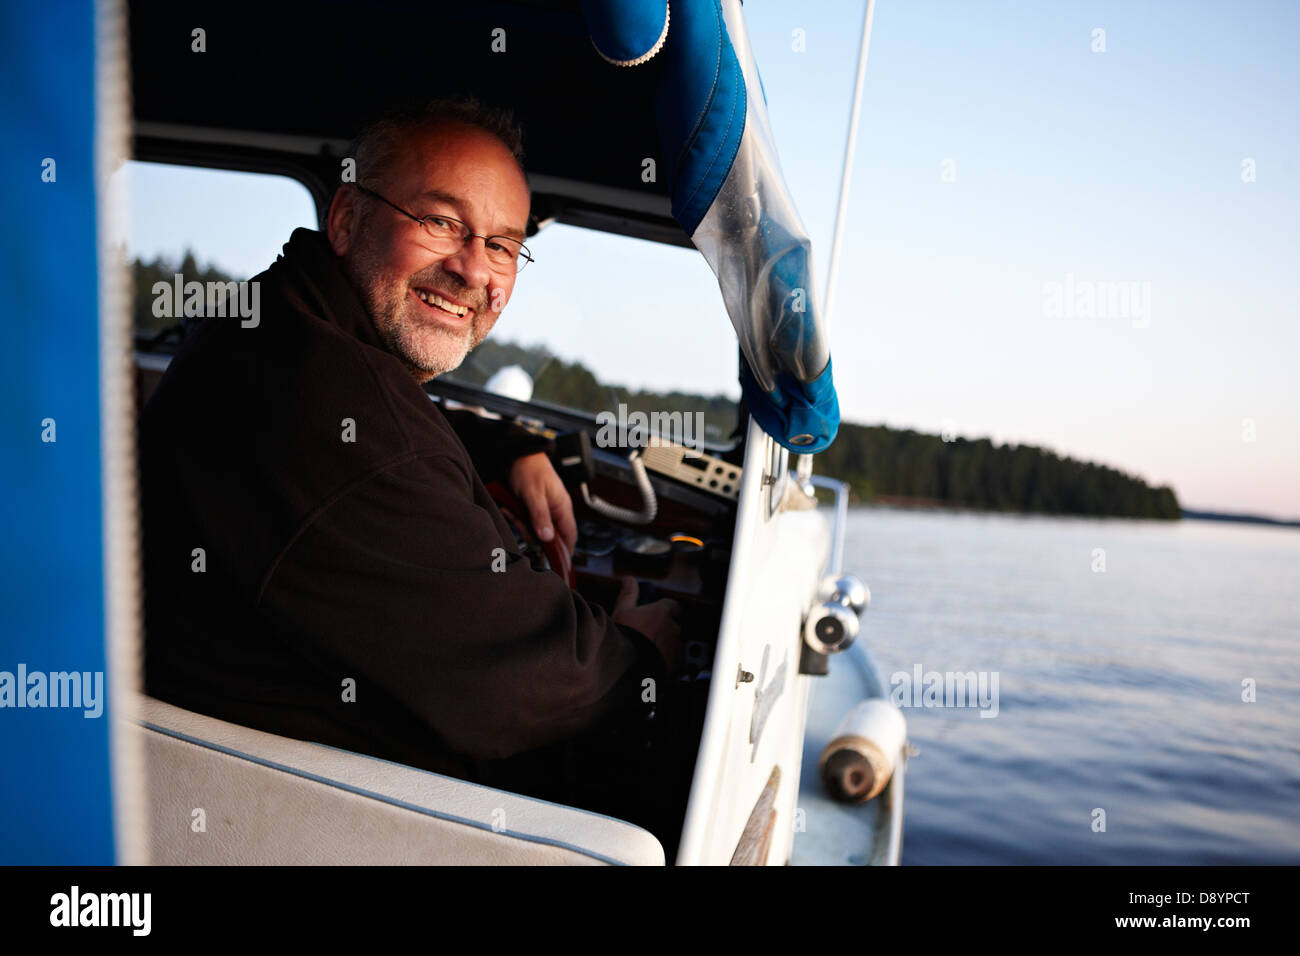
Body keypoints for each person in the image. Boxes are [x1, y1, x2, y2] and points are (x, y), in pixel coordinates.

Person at [138, 96, 686, 847]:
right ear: (345, 218)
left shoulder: (273, 325)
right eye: (442, 222)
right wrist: (643, 650)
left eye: (502, 245)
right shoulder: (346, 431)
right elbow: (518, 686)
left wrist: (505, 447)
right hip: (306, 818)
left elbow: (377, 427)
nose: (472, 271)